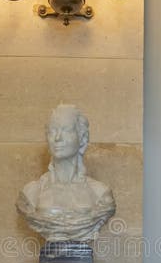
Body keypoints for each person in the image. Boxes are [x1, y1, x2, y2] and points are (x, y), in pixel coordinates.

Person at [16, 104, 116, 242]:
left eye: (66, 130)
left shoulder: (100, 194)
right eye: (52, 131)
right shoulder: (31, 193)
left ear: (82, 138)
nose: (57, 138)